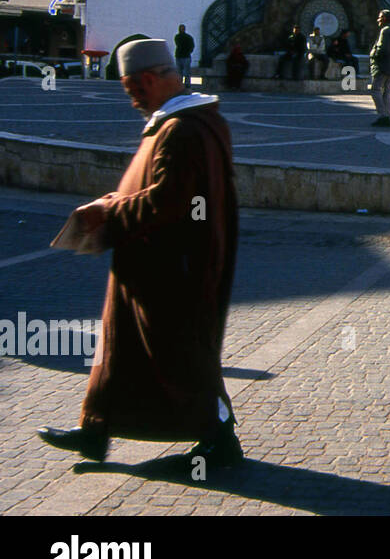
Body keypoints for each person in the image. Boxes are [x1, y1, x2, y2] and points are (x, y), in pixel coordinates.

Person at [38, 38, 241, 467]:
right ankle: (96, 428)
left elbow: (169, 201)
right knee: (123, 349)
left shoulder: (182, 129)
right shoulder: (183, 122)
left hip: (173, 268)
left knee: (183, 354)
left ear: (150, 79)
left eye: (133, 89)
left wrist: (109, 208)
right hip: (152, 263)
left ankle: (219, 438)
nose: (131, 99)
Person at [370, 9, 390, 127]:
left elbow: (382, 49)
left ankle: (383, 115)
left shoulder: (385, 31)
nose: (378, 20)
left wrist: (373, 54)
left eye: (380, 18)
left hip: (382, 66)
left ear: (385, 19)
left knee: (375, 90)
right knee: (386, 91)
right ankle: (388, 115)